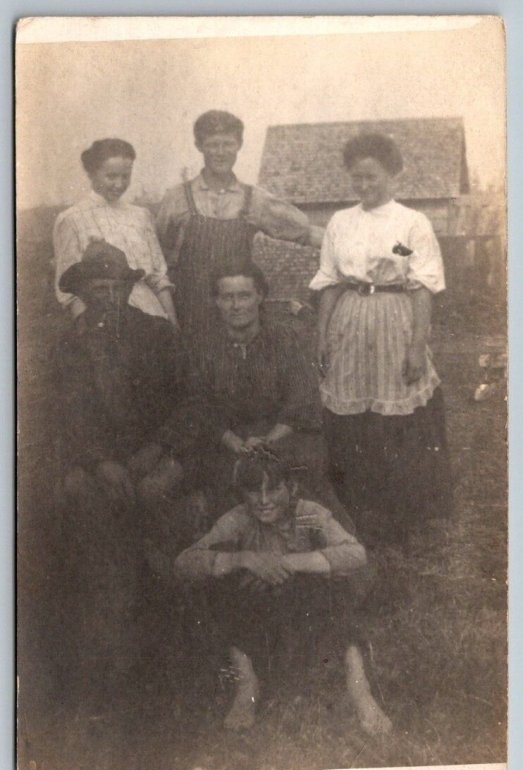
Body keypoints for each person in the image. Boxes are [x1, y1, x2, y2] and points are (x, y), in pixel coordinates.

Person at [56, 240, 190, 712]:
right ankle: (109, 631)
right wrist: (99, 461)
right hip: (103, 460)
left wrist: (155, 451)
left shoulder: (157, 333)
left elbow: (189, 403)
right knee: (82, 496)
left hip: (157, 454)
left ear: (127, 289)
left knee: (156, 500)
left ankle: (172, 628)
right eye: (98, 289)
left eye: (116, 287)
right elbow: (69, 415)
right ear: (86, 293)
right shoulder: (71, 344)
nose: (108, 297)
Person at [174, 449, 392, 735]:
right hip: (258, 610)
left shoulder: (306, 516)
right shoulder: (239, 520)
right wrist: (244, 559)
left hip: (306, 604)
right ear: (243, 494)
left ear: (291, 488)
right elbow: (183, 563)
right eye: (254, 491)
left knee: (334, 592)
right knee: (223, 587)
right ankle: (246, 680)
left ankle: (359, 687)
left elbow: (356, 554)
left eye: (274, 489)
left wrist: (288, 563)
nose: (264, 501)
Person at [310, 132, 452, 534]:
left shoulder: (410, 223)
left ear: (393, 175)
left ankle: (403, 511)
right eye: (357, 178)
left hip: (395, 316)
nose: (364, 186)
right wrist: (322, 337)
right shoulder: (340, 222)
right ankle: (358, 506)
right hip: (349, 318)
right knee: (351, 414)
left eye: (372, 177)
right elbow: (332, 281)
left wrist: (416, 346)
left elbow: (421, 283)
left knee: (396, 413)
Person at [158, 256, 356, 530]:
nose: (236, 306)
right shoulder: (203, 347)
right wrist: (233, 442)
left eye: (244, 296)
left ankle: (317, 541)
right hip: (227, 440)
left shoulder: (286, 339)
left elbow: (302, 399)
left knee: (302, 473)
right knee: (217, 481)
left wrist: (267, 441)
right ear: (216, 301)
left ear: (260, 296)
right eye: (227, 297)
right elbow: (197, 404)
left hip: (283, 436)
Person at [155, 110, 323, 338]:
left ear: (239, 145)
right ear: (199, 146)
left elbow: (305, 232)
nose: (221, 152)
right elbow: (159, 256)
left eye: (228, 144)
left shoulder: (254, 198)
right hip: (189, 312)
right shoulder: (177, 198)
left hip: (238, 314)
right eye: (213, 145)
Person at [53, 138, 177, 326]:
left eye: (125, 176)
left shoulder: (141, 216)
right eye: (111, 176)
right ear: (92, 174)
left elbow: (158, 277)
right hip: (104, 321)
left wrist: (172, 324)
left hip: (152, 319)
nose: (119, 184)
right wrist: (89, 332)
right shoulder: (71, 219)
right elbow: (69, 292)